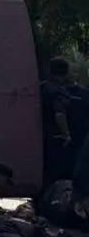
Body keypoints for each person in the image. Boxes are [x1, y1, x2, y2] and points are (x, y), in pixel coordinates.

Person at [40, 58, 76, 189]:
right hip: (56, 137)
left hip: (43, 133)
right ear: (65, 72)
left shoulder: (43, 87)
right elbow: (59, 113)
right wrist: (66, 134)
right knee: (58, 172)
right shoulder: (58, 91)